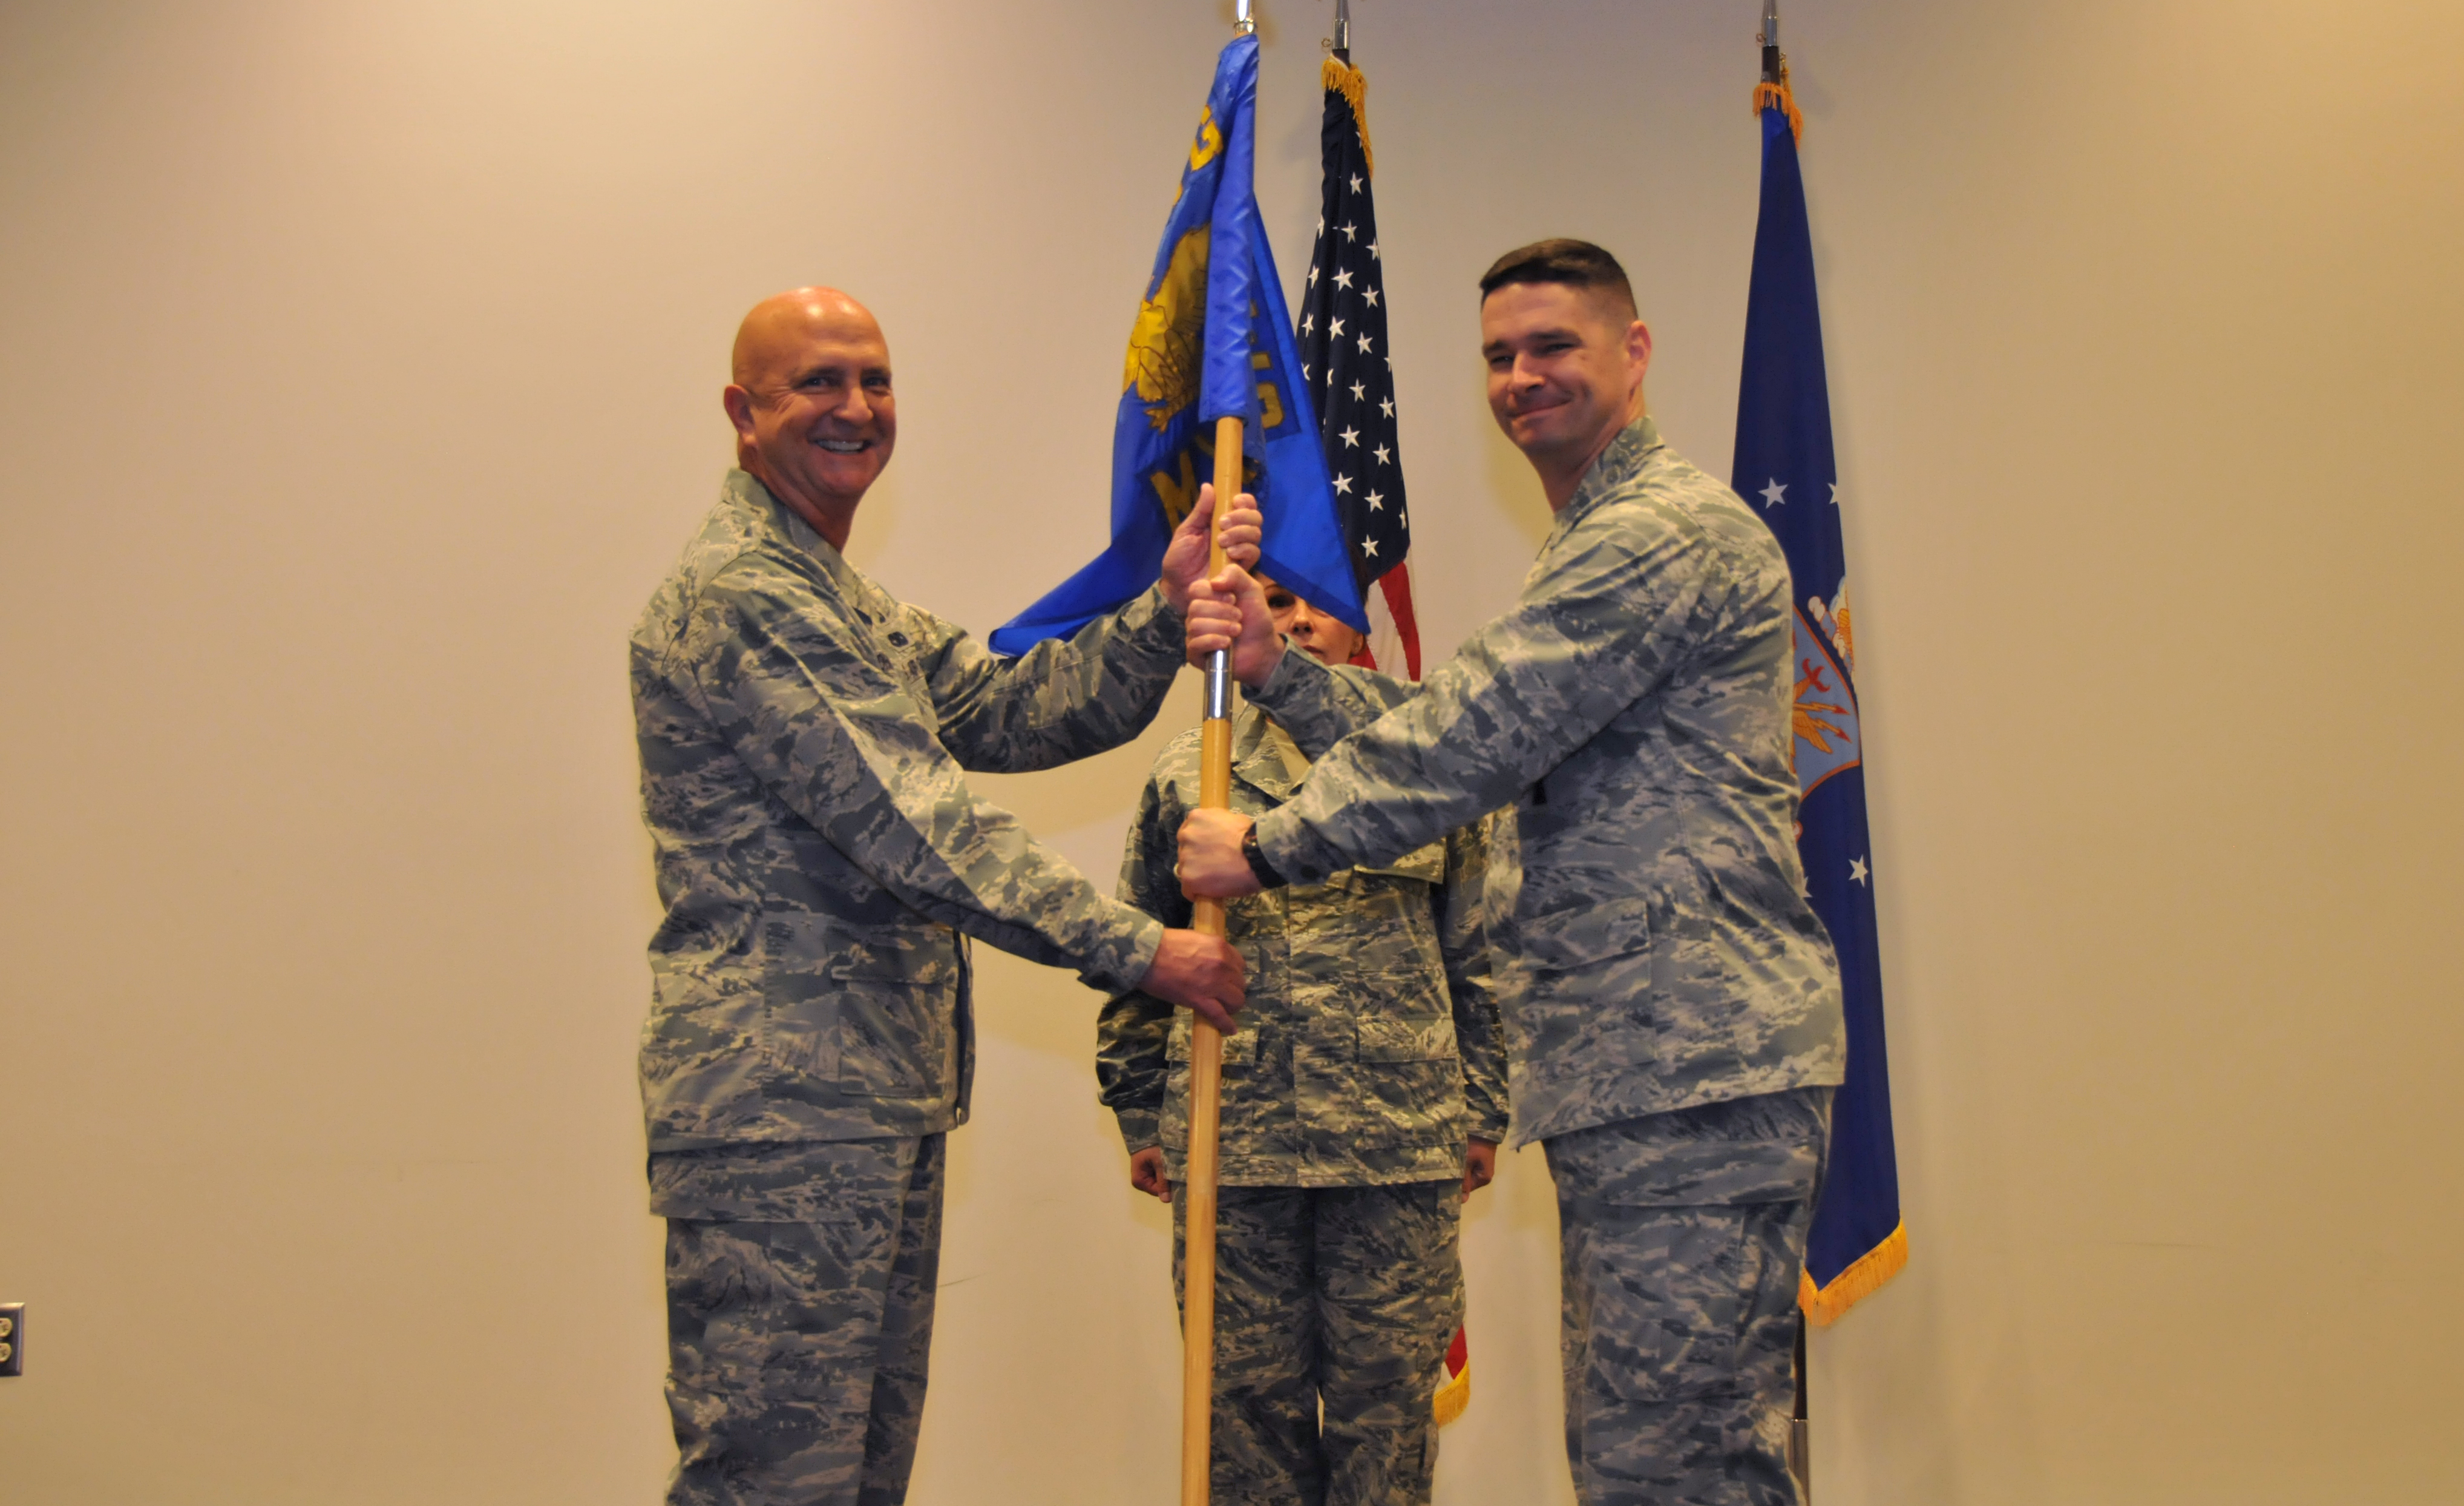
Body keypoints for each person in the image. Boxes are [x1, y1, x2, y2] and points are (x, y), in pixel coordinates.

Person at [1174, 242, 1846, 1506]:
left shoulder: (1659, 534)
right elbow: (1478, 731)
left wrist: (1266, 845)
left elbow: (1479, 728)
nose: (1521, 377)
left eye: (1553, 347)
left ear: (1633, 353)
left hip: (1692, 1074)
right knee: (1645, 1460)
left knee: (1676, 1468)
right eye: (1498, 355)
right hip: (1647, 1075)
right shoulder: (1597, 533)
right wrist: (1278, 673)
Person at [631, 287, 1252, 1506]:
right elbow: (921, 827)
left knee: (854, 1479)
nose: (855, 407)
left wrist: (1161, 610)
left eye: (873, 378)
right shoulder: (745, 594)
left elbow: (1008, 706)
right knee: (775, 1478)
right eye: (816, 382)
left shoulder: (838, 598)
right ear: (740, 414)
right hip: (783, 1116)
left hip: (865, 1101)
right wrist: (1142, 949)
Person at [1098, 578, 1512, 1506]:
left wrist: (1482, 1111)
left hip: (1395, 1152)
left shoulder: (1429, 774)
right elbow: (1137, 953)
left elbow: (1477, 953)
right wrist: (1136, 1110)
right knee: (1244, 1425)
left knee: (1388, 1427)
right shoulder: (1186, 776)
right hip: (1231, 1148)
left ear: (1359, 616)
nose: (1296, 620)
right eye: (1274, 600)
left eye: (1318, 598)